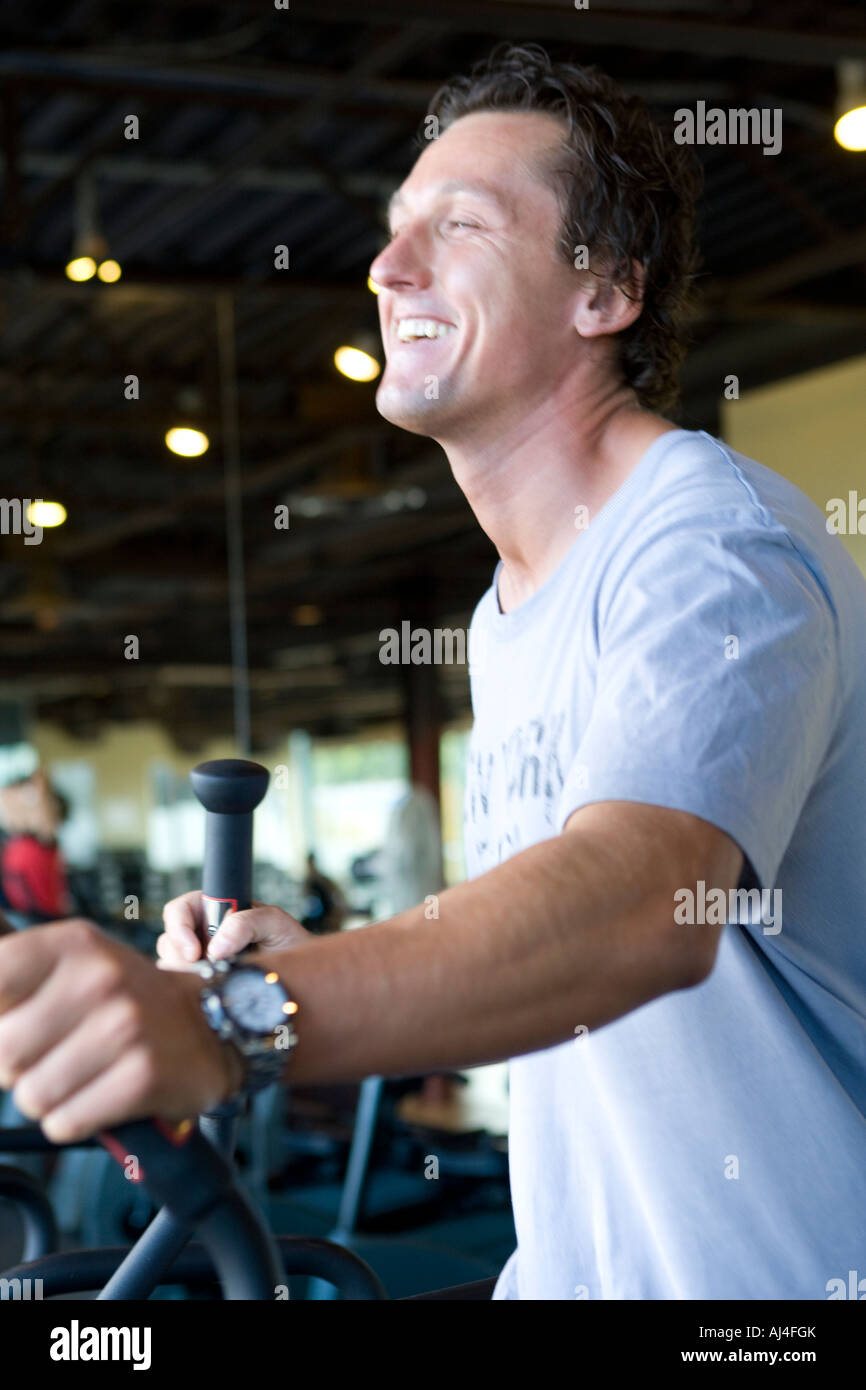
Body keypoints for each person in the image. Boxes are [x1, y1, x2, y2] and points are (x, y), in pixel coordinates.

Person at [0, 43, 863, 1301]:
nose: (386, 268)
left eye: (456, 226)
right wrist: (318, 960)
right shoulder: (506, 610)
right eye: (391, 230)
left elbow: (635, 907)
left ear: (604, 288)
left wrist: (236, 1023)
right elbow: (550, 940)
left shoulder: (710, 545)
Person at [0, 772, 72, 923]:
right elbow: (7, 801)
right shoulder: (14, 839)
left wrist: (39, 785)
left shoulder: (45, 839)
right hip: (17, 915)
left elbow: (45, 807)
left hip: (44, 919)